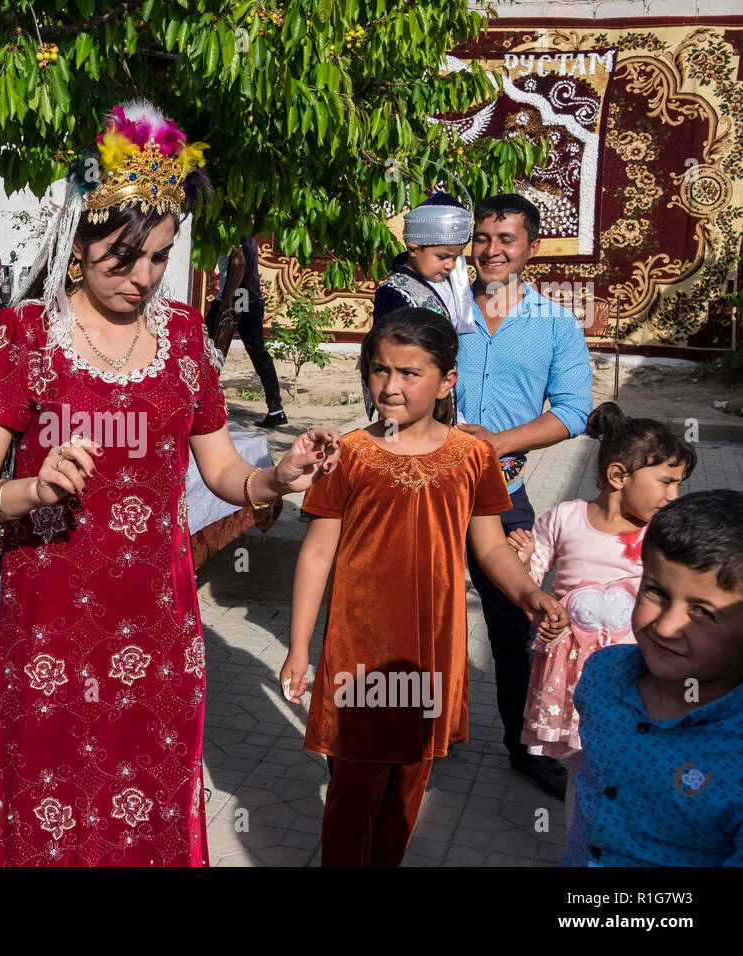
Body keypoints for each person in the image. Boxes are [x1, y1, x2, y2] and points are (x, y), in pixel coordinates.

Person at [0, 101, 340, 866]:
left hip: (158, 616)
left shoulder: (186, 337)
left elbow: (221, 471)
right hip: (53, 614)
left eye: (159, 256)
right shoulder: (25, 338)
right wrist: (33, 489)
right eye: (121, 259)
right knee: (53, 788)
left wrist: (276, 480)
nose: (144, 277)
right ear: (73, 248)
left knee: (144, 787)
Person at [281, 308, 567, 867]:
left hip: (432, 651)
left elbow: (487, 548)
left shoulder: (473, 456)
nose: (391, 387)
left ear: (447, 382)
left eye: (410, 373)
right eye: (379, 370)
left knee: (409, 785)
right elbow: (317, 552)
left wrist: (529, 593)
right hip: (357, 652)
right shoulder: (349, 455)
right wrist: (297, 647)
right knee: (353, 783)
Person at [456, 193, 594, 799]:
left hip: (503, 497)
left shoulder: (555, 323)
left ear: (530, 248)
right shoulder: (444, 310)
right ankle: (413, 736)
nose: (491, 250)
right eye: (482, 237)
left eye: (505, 239)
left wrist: (496, 443)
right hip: (424, 493)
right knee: (418, 614)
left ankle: (525, 746)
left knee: (515, 621)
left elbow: (574, 411)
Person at [563, 490, 743, 866]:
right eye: (658, 591)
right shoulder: (602, 674)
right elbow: (585, 770)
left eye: (704, 612)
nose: (666, 626)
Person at [512, 403, 695, 768]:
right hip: (570, 673)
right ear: (618, 476)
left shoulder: (660, 534)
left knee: (626, 755)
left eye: (678, 485)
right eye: (666, 482)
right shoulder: (565, 518)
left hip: (634, 672)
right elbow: (530, 584)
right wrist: (521, 560)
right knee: (581, 760)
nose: (674, 496)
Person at [363, 192, 476, 422]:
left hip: (439, 394)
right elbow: (388, 356)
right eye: (443, 256)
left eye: (456, 257)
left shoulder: (448, 284)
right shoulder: (395, 292)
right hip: (408, 402)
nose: (450, 266)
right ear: (414, 248)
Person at [206, 236, 285, 428]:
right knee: (258, 353)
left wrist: (228, 298)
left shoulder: (232, 231)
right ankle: (276, 408)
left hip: (233, 298)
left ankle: (204, 404)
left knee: (208, 348)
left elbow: (239, 262)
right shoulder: (248, 232)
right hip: (251, 298)